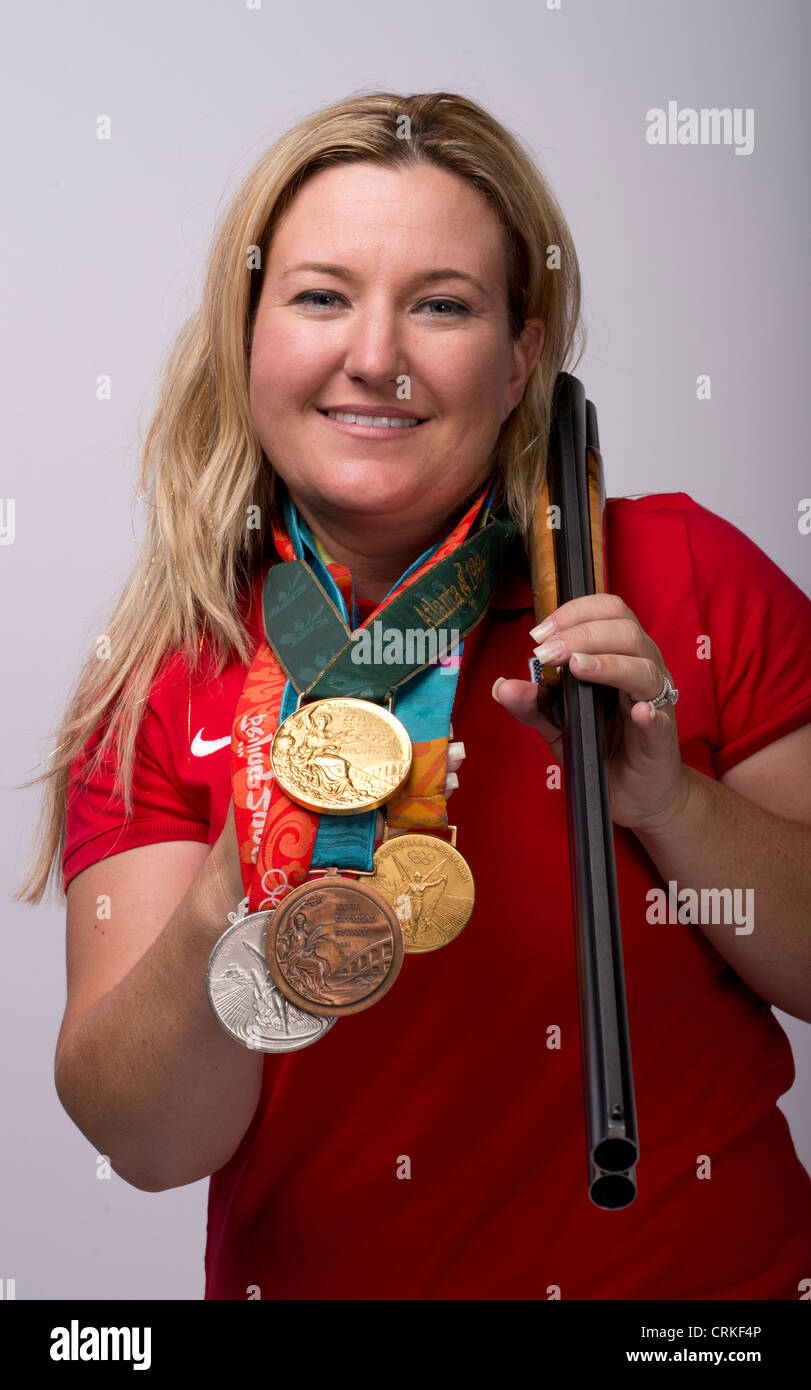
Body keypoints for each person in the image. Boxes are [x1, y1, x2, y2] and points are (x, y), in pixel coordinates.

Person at [16, 90, 811, 1301]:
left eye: (441, 305)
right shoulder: (164, 666)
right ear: (249, 334)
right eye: (322, 295)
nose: (375, 355)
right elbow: (149, 1142)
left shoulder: (678, 575)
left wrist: (669, 802)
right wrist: (240, 869)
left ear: (519, 361)